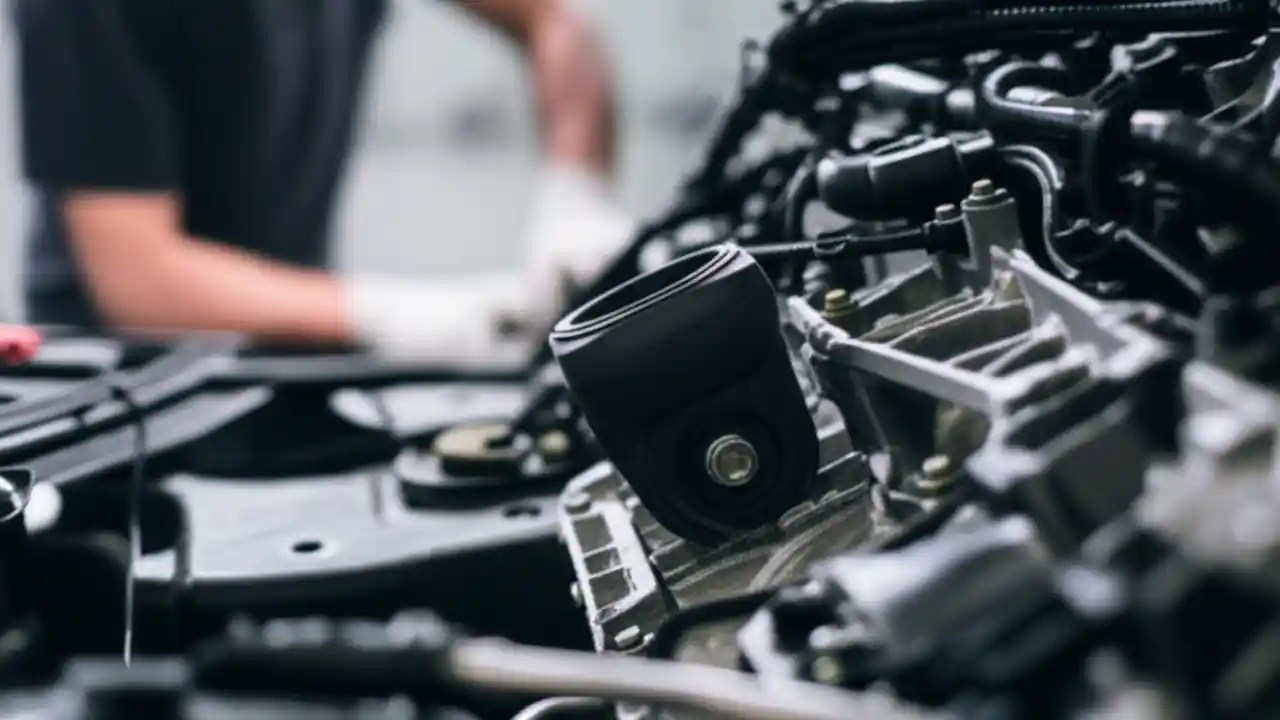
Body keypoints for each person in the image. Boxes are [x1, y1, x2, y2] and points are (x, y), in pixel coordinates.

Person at [12, 0, 632, 365]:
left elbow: (555, 22)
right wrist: (428, 318)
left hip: (295, 356)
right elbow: (137, 279)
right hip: (127, 396)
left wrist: (576, 203)